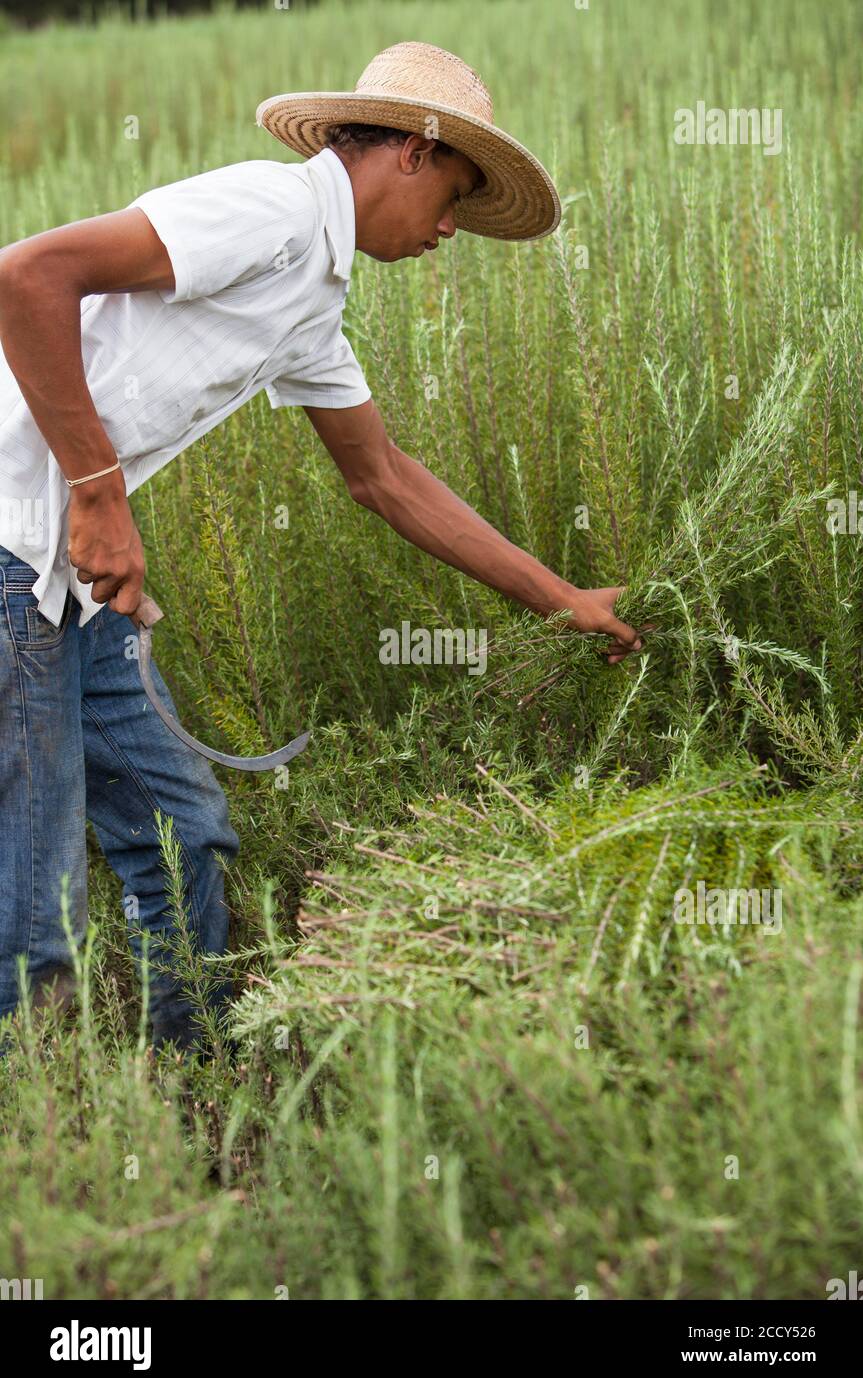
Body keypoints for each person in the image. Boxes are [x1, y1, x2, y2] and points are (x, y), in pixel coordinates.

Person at [0, 40, 642, 1052]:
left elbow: (383, 476)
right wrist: (98, 492)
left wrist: (561, 600)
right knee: (36, 910)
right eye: (453, 199)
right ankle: (38, 1126)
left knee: (183, 835)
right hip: (12, 556)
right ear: (411, 153)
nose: (448, 232)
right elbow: (29, 273)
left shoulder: (313, 303)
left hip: (68, 583)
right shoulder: (271, 211)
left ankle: (191, 1080)